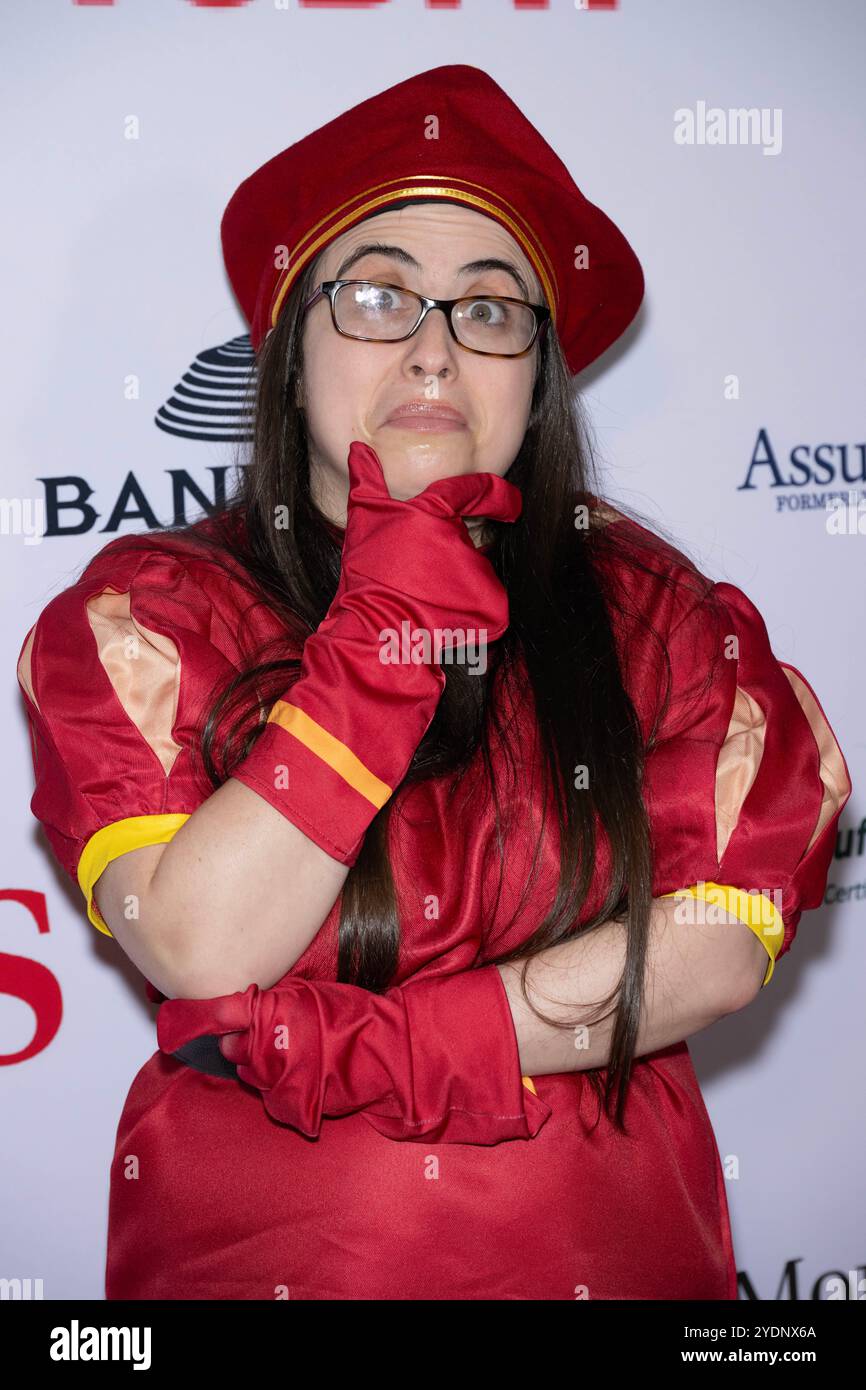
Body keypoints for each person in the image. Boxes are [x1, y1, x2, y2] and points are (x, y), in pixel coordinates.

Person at [16, 65, 851, 1301]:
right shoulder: (151, 615)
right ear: (291, 355)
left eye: (489, 309)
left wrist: (395, 1043)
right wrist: (391, 629)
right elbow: (198, 942)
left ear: (533, 375)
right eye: (375, 296)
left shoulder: (655, 608)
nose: (431, 346)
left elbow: (719, 944)